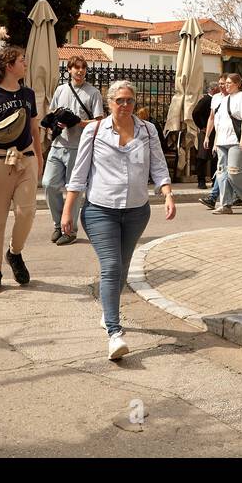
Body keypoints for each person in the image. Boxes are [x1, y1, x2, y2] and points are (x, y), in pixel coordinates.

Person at [62, 79, 176, 360]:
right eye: (119, 101)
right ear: (109, 103)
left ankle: (107, 311)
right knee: (111, 265)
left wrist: (168, 194)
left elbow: (159, 166)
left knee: (122, 267)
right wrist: (68, 211)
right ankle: (114, 332)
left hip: (137, 211)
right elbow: (78, 174)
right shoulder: (95, 130)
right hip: (100, 209)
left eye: (129, 100)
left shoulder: (148, 130)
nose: (125, 105)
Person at [0, 45, 42, 297]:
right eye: (22, 60)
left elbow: (35, 130)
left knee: (27, 213)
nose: (26, 64)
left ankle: (14, 252)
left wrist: (39, 159)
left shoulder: (29, 94)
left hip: (26, 160)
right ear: (9, 66)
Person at [42, 56, 105, 246]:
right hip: (57, 145)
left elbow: (100, 122)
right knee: (48, 184)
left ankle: (70, 231)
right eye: (76, 68)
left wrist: (78, 121)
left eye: (83, 68)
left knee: (73, 189)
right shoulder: (61, 90)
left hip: (79, 148)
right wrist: (54, 125)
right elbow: (52, 113)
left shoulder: (93, 93)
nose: (80, 71)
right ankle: (58, 223)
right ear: (68, 70)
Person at [212, 72, 242, 215]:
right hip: (221, 140)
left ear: (238, 84)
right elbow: (217, 123)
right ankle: (226, 204)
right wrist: (215, 141)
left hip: (235, 140)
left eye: (229, 83)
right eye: (225, 83)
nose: (226, 85)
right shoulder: (224, 100)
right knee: (222, 173)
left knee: (234, 171)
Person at [200, 74, 242, 210]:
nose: (222, 86)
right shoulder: (216, 99)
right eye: (220, 84)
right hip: (221, 139)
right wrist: (209, 137)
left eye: (224, 83)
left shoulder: (238, 98)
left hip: (233, 140)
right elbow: (213, 119)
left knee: (231, 170)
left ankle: (233, 196)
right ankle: (229, 198)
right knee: (222, 170)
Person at [190, 80, 220, 190]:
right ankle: (201, 180)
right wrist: (202, 126)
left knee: (215, 157)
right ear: (213, 89)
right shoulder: (206, 100)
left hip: (214, 131)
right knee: (203, 157)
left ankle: (214, 180)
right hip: (206, 132)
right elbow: (195, 113)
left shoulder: (217, 100)